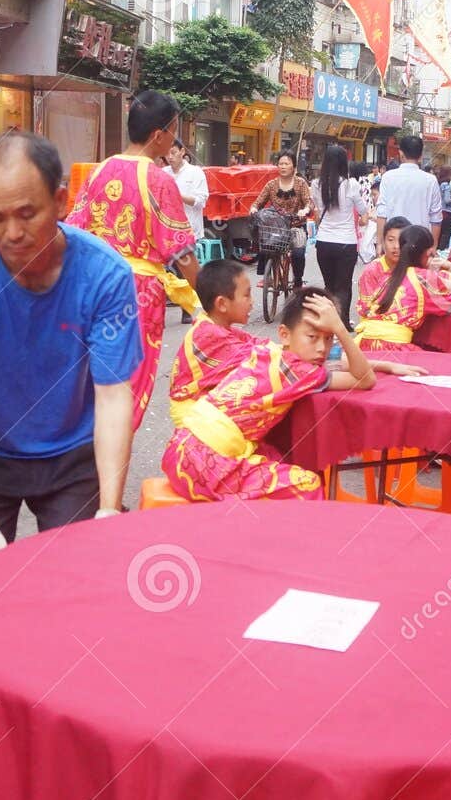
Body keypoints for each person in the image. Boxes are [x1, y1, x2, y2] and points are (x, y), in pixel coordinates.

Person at [0, 132, 142, 574]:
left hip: (72, 456)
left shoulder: (106, 276)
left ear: (61, 201)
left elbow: (113, 396)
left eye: (28, 214)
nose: (13, 234)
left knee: (69, 587)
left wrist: (108, 507)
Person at [162, 289, 422, 502]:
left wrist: (388, 365)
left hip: (182, 448)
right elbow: (365, 380)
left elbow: (338, 363)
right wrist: (342, 331)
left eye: (328, 338)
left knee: (280, 457)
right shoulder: (300, 370)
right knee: (308, 483)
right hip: (204, 464)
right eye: (312, 337)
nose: (322, 347)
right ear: (285, 334)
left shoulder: (269, 351)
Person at [66, 91, 200, 427]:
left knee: (91, 382)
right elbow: (182, 252)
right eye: (172, 132)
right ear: (159, 135)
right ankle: (106, 468)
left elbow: (73, 233)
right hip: (138, 294)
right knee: (127, 391)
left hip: (93, 288)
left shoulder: (98, 172)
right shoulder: (158, 180)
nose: (173, 140)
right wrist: (207, 298)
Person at [169, 260, 257, 421]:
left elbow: (255, 344)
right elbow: (257, 359)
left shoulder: (212, 325)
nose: (252, 302)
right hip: (195, 416)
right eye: (246, 295)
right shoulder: (210, 335)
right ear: (222, 304)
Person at [355, 224, 451, 352]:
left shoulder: (389, 275)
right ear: (428, 252)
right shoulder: (423, 278)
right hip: (392, 346)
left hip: (365, 343)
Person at [311, 144, 370, 327]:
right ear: (344, 163)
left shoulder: (316, 184)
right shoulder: (351, 185)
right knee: (343, 286)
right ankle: (343, 324)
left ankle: (329, 322)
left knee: (329, 285)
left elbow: (319, 213)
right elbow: (363, 213)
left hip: (324, 242)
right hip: (346, 243)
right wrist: (362, 221)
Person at [251, 151, 314, 284]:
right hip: (276, 228)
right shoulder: (271, 185)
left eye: (286, 163)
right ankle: (266, 275)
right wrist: (254, 208)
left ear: (293, 167)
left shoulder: (301, 183)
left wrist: (305, 209)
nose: (283, 166)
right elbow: (258, 202)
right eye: (281, 164)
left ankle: (298, 279)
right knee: (264, 243)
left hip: (296, 226)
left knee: (298, 253)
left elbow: (309, 202)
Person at [373, 134, 443, 231]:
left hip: (394, 240)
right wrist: (433, 245)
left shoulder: (388, 177)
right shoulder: (431, 180)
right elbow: (436, 217)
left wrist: (380, 243)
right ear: (420, 156)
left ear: (401, 153)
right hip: (420, 239)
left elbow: (382, 212)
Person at [167, 142, 210, 244]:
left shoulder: (195, 172)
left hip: (190, 231)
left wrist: (178, 196)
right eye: (167, 153)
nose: (170, 157)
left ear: (182, 152)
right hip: (167, 231)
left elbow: (201, 201)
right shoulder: (163, 172)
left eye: (173, 153)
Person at [436, 165, 451, 249]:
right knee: (447, 232)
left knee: (440, 232)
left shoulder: (438, 183)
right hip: (448, 212)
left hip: (440, 211)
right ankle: (443, 250)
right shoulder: (446, 185)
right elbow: (447, 200)